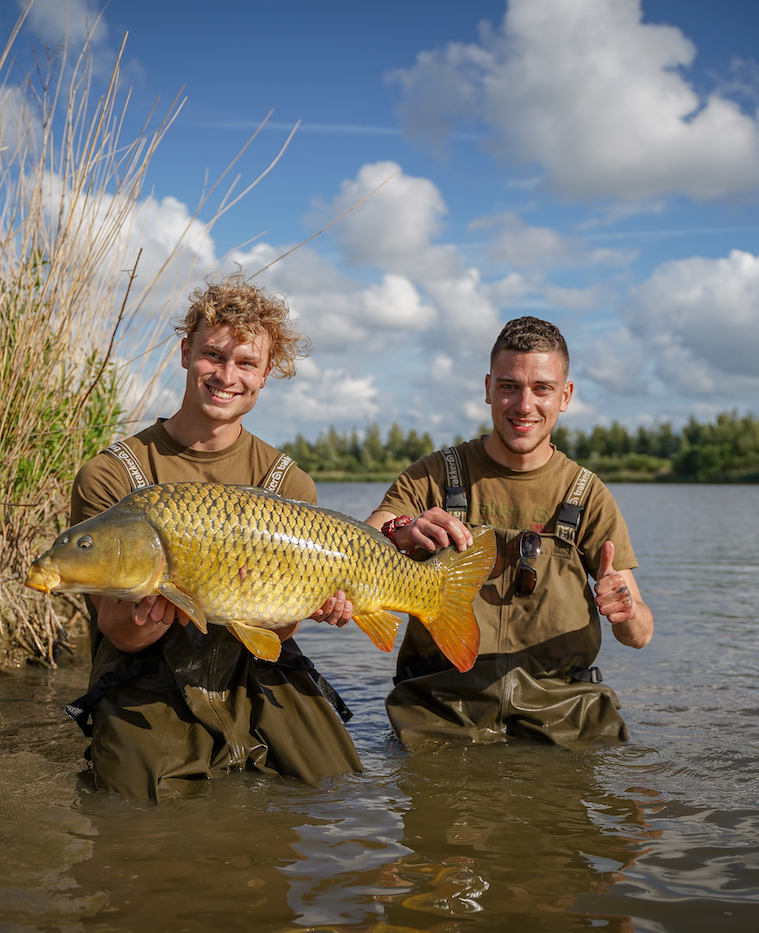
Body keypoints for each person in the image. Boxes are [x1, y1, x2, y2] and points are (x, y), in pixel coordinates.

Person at [64, 275, 361, 799]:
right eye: (213, 356)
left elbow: (280, 631)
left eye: (246, 363)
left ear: (267, 373)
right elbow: (117, 630)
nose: (227, 376)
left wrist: (317, 606)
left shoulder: (288, 483)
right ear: (185, 353)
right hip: (145, 671)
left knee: (337, 786)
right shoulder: (111, 476)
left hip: (256, 667)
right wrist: (154, 611)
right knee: (140, 808)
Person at [367, 316, 654, 747]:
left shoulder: (588, 495)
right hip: (439, 708)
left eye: (542, 388)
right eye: (508, 386)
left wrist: (626, 611)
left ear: (566, 395)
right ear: (487, 389)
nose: (523, 405)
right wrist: (402, 530)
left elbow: (641, 636)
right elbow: (365, 538)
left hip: (562, 713)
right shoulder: (433, 475)